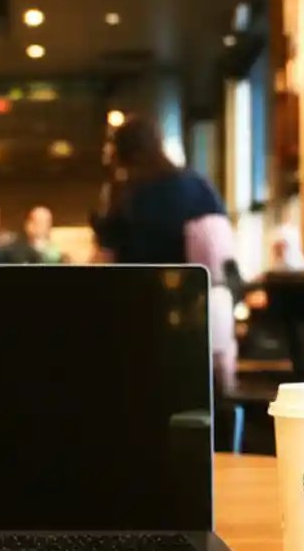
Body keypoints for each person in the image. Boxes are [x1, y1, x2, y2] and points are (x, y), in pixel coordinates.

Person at [98, 116, 236, 390]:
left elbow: (107, 261)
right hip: (191, 311)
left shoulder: (121, 196)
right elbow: (218, 255)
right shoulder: (195, 186)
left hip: (136, 315)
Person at [0, 205, 64, 264]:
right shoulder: (12, 251)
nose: (43, 226)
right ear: (28, 225)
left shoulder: (55, 252)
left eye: (47, 222)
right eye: (39, 222)